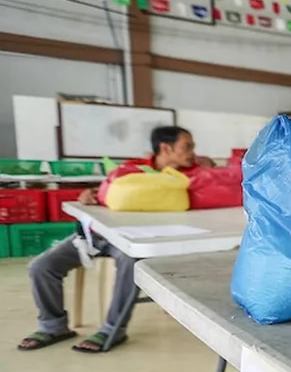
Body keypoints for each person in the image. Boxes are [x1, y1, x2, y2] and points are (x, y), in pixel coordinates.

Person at [18, 126, 202, 354]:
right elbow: (108, 191)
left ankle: (112, 329)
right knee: (41, 266)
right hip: (99, 234)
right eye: (187, 147)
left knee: (131, 261)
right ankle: (53, 326)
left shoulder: (196, 174)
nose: (193, 152)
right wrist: (92, 194)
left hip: (140, 240)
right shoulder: (132, 169)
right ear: (166, 148)